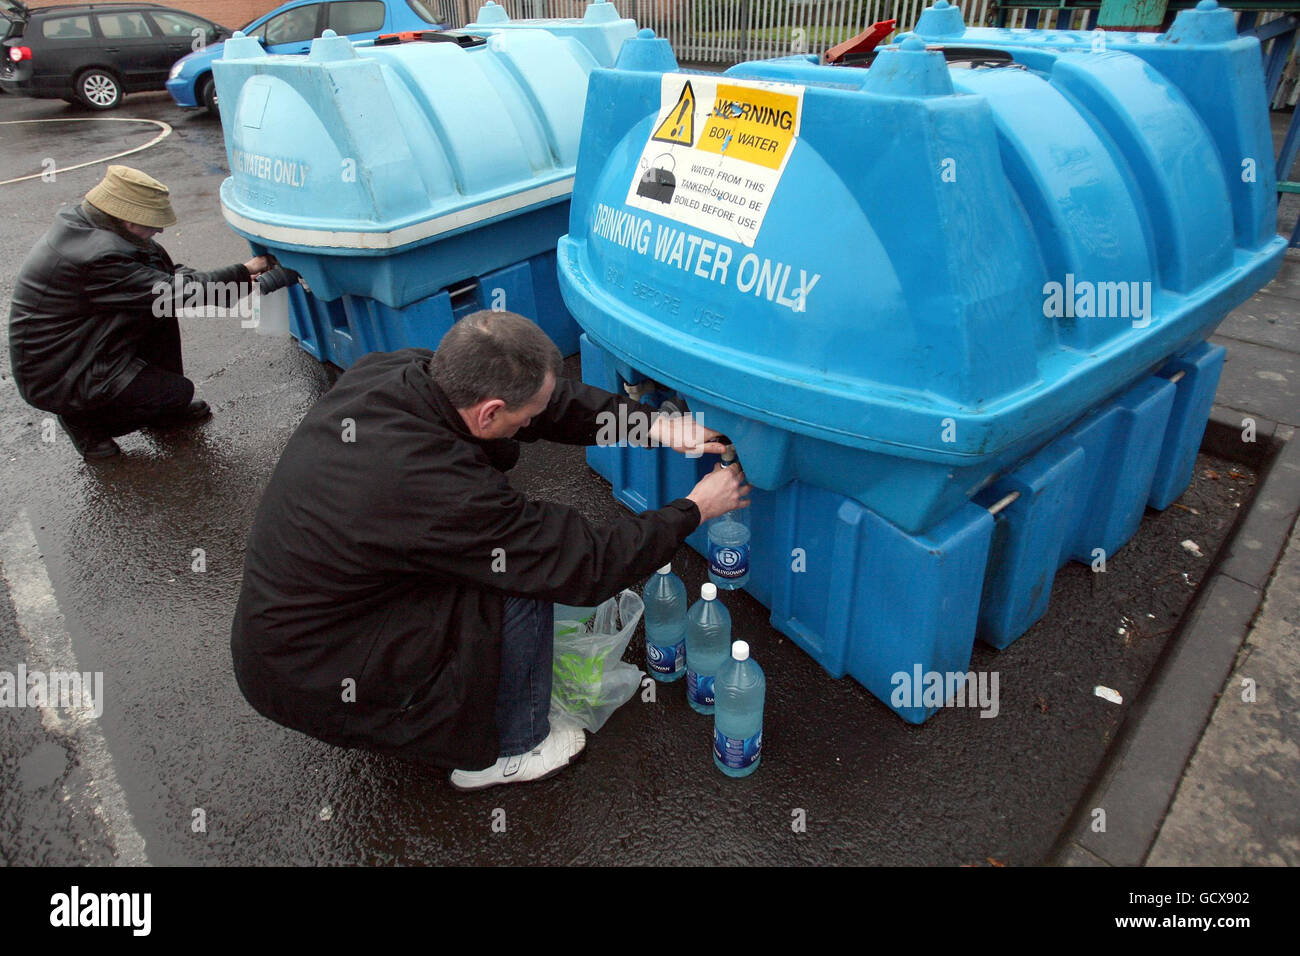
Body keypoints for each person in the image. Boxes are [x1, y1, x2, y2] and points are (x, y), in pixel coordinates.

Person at [230, 310, 750, 790]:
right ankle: (508, 750)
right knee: (522, 574)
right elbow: (580, 561)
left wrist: (650, 424)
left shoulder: (402, 374)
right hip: (317, 670)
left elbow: (548, 406)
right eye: (522, 418)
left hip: (324, 613)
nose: (533, 423)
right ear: (489, 411)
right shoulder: (433, 490)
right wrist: (695, 509)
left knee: (512, 550)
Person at [7, 164, 291, 461]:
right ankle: (84, 424)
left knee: (158, 313)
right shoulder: (98, 255)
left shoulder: (97, 227)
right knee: (174, 390)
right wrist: (242, 271)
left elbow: (163, 279)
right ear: (129, 221)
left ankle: (161, 412)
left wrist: (236, 280)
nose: (160, 230)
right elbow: (170, 292)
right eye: (153, 223)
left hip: (82, 345)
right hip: (60, 374)